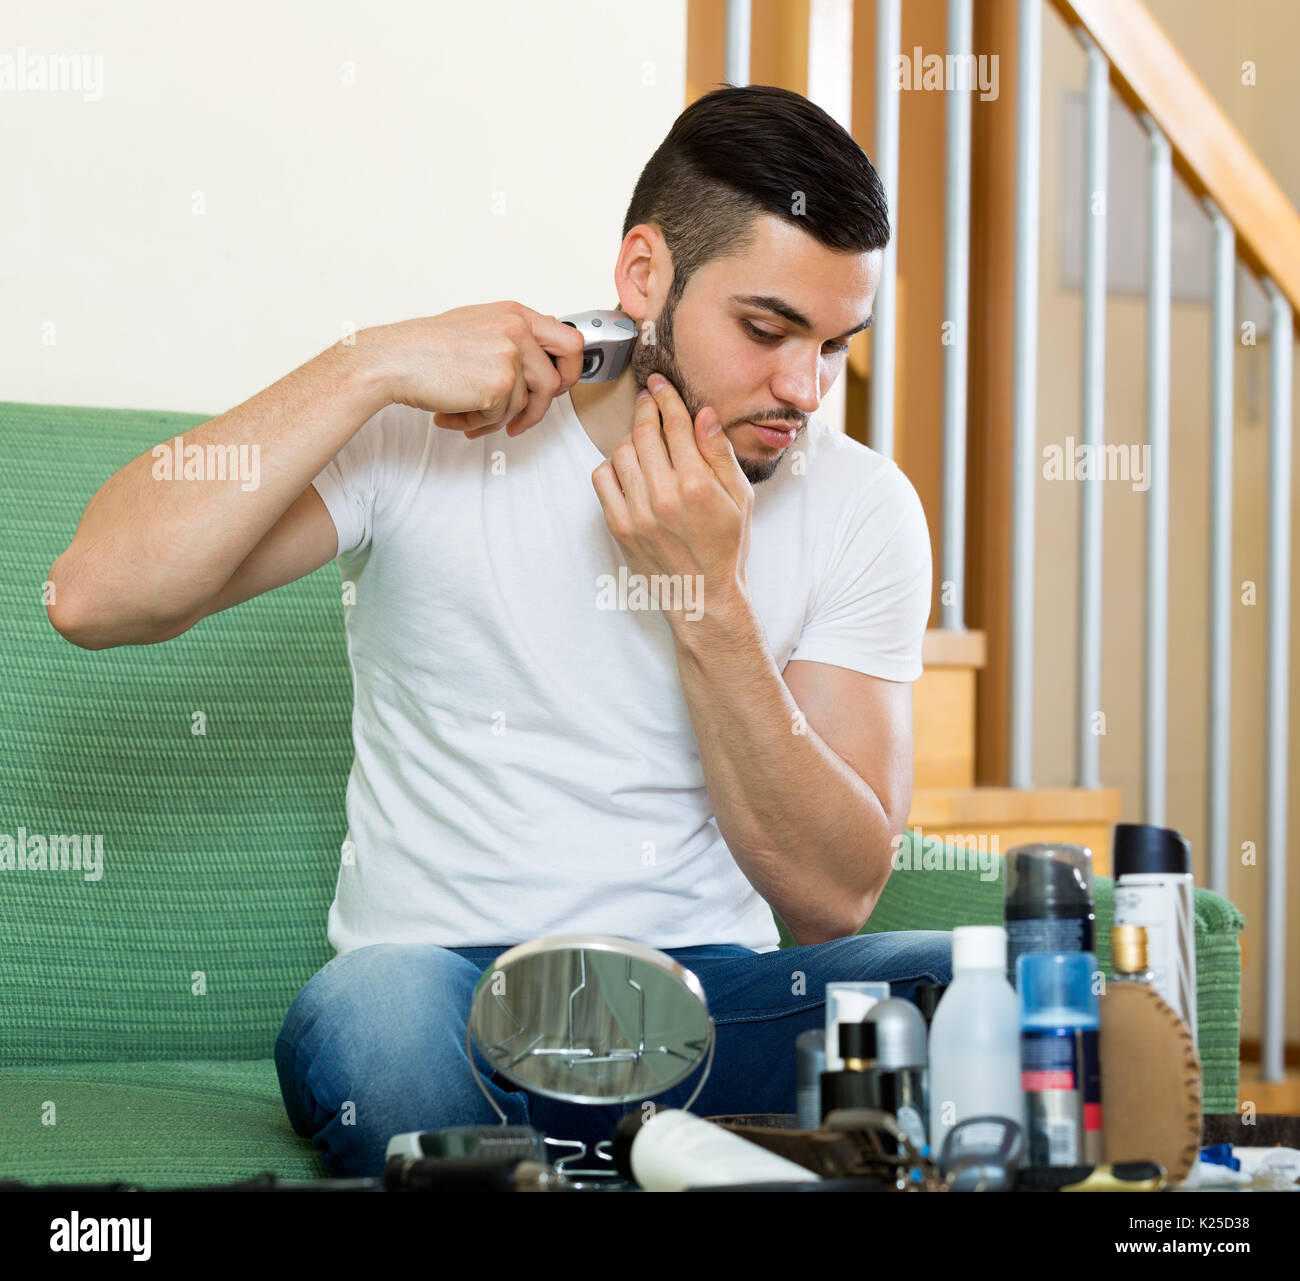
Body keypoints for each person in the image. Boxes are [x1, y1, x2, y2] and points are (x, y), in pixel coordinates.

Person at [47, 83, 951, 1178]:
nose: (802, 389)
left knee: (981, 991)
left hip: (709, 1005)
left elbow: (831, 896)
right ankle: (677, 1156)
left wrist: (706, 598)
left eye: (836, 348)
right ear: (642, 277)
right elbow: (92, 595)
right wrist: (366, 366)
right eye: (766, 330)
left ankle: (570, 1157)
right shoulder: (432, 434)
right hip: (444, 996)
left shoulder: (860, 506)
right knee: (373, 1019)